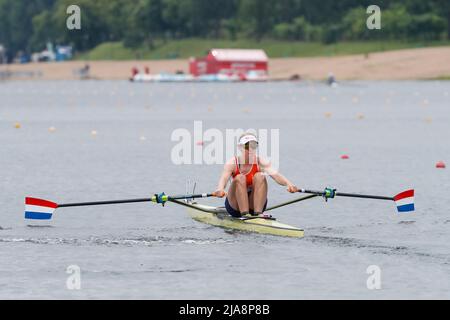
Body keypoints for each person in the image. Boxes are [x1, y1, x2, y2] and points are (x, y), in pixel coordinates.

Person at [213, 132, 299, 217]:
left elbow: (276, 175)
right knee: (240, 178)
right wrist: (220, 189)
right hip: (235, 206)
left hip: (254, 205)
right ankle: (245, 214)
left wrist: (289, 184)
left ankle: (258, 214)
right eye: (247, 146)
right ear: (240, 147)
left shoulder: (260, 162)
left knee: (260, 176)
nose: (250, 149)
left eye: (253, 146)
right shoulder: (232, 163)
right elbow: (223, 179)